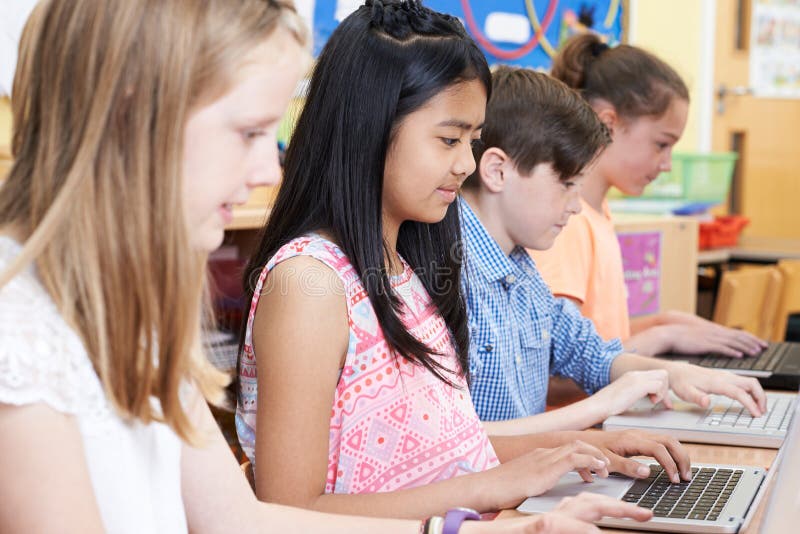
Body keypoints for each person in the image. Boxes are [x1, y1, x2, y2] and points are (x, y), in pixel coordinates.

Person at [0, 1, 636, 532]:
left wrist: (491, 522)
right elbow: (283, 505)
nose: (267, 170)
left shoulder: (132, 317)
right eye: (249, 132)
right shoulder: (20, 329)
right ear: (134, 116)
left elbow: (240, 519)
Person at [236, 0, 690, 521]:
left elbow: (447, 453)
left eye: (472, 141)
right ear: (369, 127)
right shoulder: (307, 284)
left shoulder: (406, 268)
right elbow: (290, 511)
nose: (466, 164)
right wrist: (491, 486)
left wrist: (580, 448)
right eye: (450, 139)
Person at [459, 65, 766, 442]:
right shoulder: (448, 279)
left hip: (534, 469)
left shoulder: (521, 270)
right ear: (497, 172)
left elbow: (590, 354)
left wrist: (675, 373)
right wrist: (602, 406)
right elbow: (459, 443)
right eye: (566, 184)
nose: (576, 206)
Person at [529, 33, 767, 359]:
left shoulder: (597, 211)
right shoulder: (569, 222)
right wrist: (664, 336)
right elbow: (556, 365)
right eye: (661, 144)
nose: (667, 164)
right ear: (608, 124)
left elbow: (603, 337)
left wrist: (666, 322)